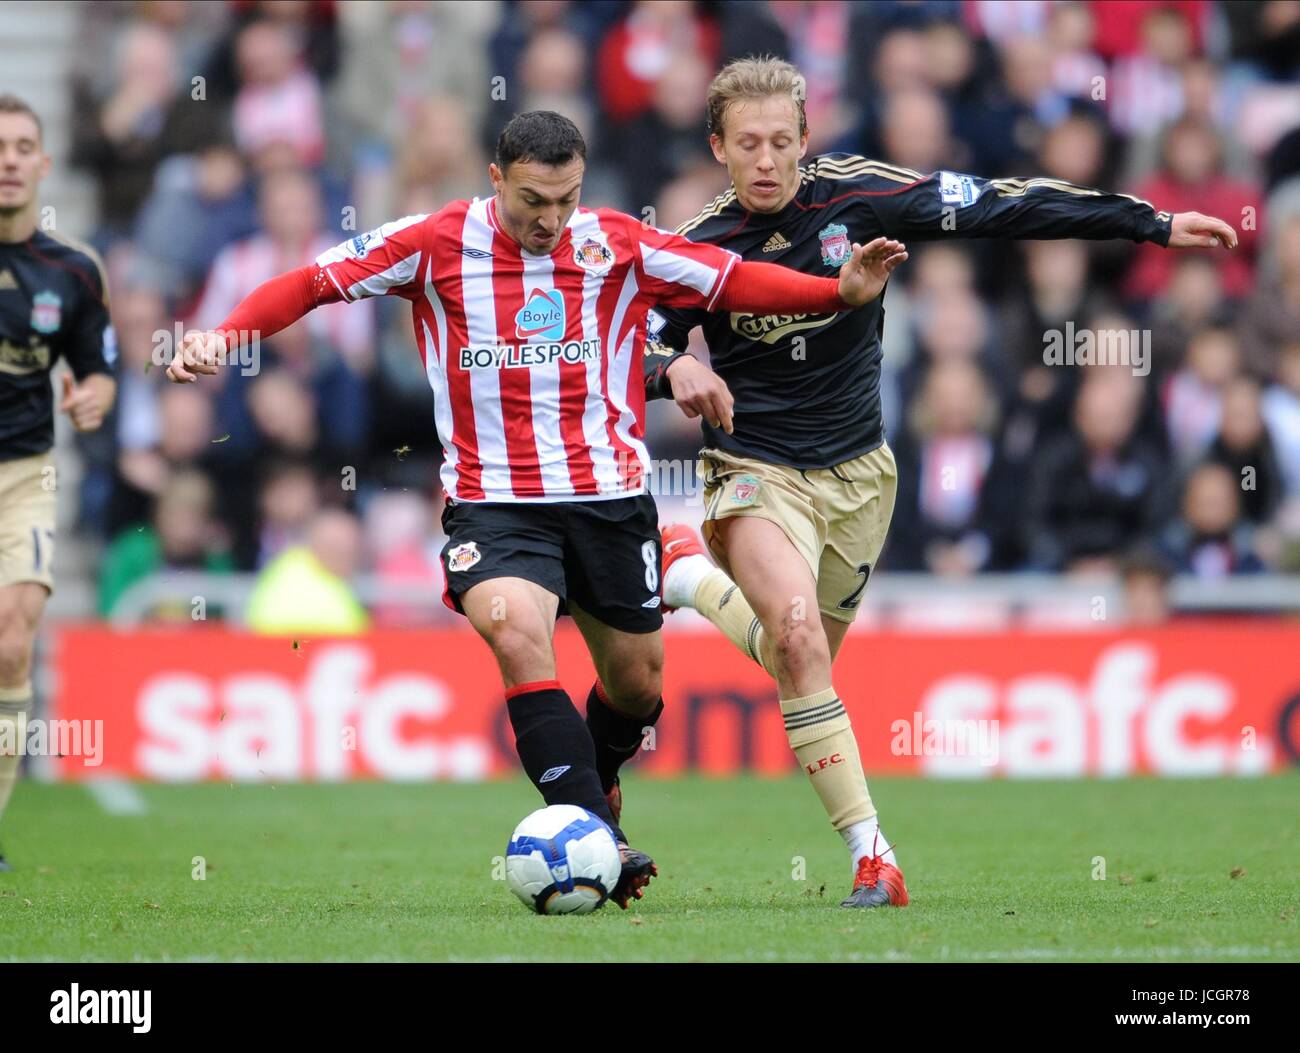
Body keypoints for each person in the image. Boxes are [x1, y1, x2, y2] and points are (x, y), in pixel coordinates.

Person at [166, 110, 906, 908]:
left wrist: (835, 291)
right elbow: (312, 283)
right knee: (515, 628)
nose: (550, 220)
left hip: (611, 499)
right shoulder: (434, 242)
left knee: (636, 686)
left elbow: (731, 280)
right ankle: (595, 832)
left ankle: (600, 780)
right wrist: (225, 334)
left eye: (565, 199)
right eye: (531, 202)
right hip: (495, 503)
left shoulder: (615, 241)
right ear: (496, 180)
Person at [645, 57, 1238, 908]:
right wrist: (672, 373)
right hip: (754, 470)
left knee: (794, 657)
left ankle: (691, 578)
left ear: (807, 140)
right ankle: (873, 855)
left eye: (783, 141)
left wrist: (1145, 222)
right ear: (718, 148)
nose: (767, 159)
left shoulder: (865, 195)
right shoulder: (698, 244)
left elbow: (1006, 204)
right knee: (801, 636)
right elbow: (626, 343)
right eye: (748, 144)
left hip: (858, 476)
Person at [0, 95, 117, 871]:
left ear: (44, 163)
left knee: (12, 642)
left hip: (24, 475)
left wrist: (96, 397)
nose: (8, 160)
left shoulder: (72, 268)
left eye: (23, 147)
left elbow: (99, 370)